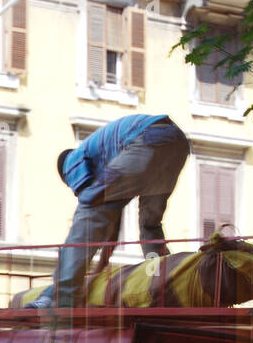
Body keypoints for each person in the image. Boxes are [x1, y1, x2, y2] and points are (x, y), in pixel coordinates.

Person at [27, 114, 190, 309]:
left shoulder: (72, 160)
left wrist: (95, 270)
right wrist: (100, 269)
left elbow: (93, 212)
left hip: (148, 139)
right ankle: (161, 278)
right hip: (177, 144)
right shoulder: (105, 159)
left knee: (88, 208)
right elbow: (111, 223)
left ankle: (59, 298)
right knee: (150, 225)